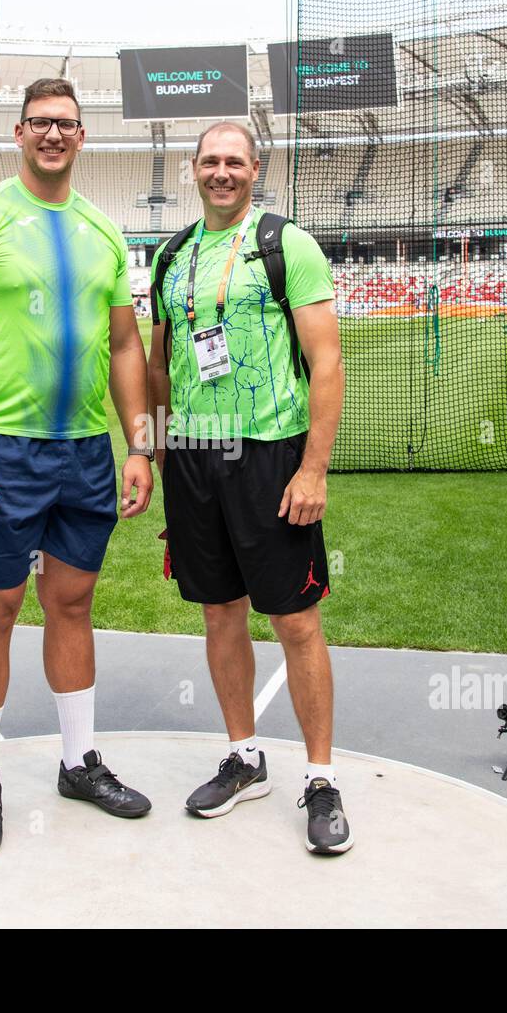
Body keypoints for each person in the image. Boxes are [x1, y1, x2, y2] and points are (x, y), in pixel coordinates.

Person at [0, 77, 155, 855]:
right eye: (41, 123)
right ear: (19, 133)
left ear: (82, 137)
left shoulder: (104, 232)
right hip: (0, 447)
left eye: (68, 124)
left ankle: (78, 761)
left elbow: (126, 347)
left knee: (74, 603)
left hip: (84, 450)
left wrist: (140, 443)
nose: (55, 135)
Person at [148, 121, 352, 854]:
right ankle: (245, 756)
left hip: (271, 454)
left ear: (255, 168)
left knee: (295, 620)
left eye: (234, 161)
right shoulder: (172, 256)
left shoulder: (286, 243)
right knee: (219, 614)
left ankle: (322, 777)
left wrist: (313, 468)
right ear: (192, 170)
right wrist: (162, 450)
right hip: (196, 458)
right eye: (210, 161)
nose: (222, 172)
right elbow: (161, 363)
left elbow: (326, 362)